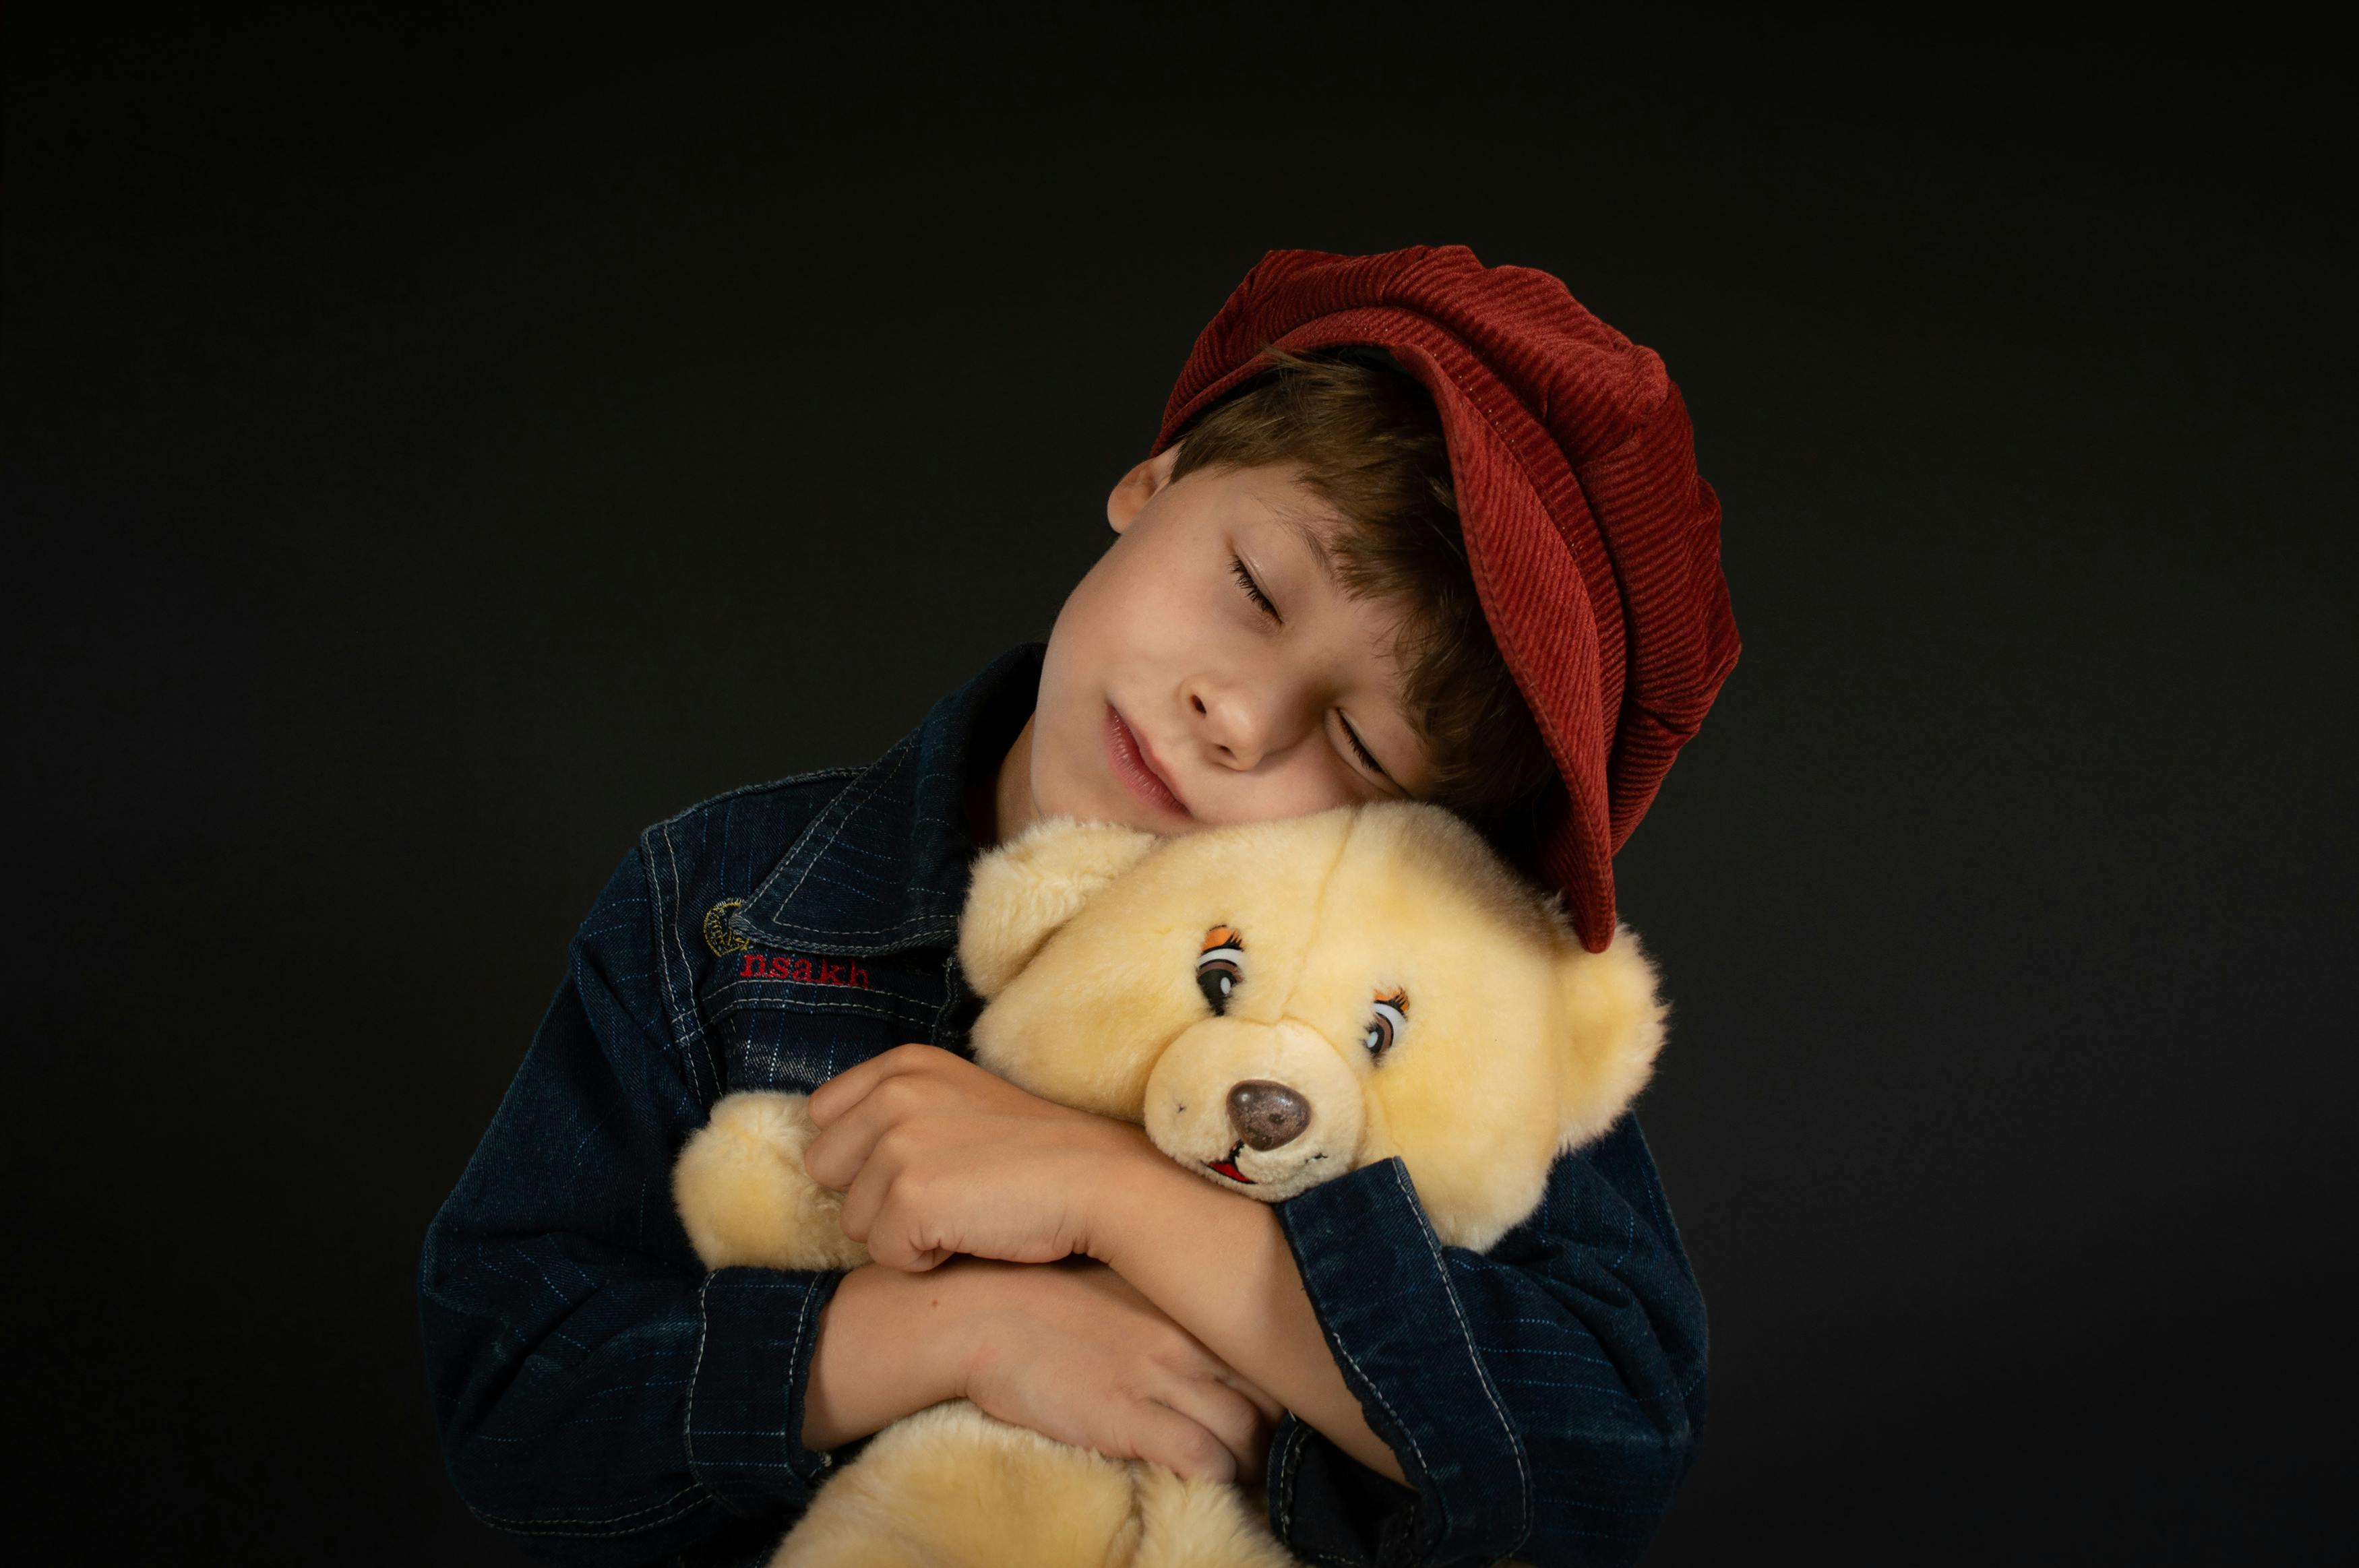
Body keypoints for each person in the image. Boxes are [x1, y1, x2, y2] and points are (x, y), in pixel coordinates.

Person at [419, 245, 1740, 1567]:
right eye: (1253, 589)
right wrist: (955, 1335)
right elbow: (514, 1398)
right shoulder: (727, 900)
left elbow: (1602, 1453)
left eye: (1365, 748)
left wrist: (1121, 1201)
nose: (1237, 716)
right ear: (1151, 479)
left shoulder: (1436, 998)